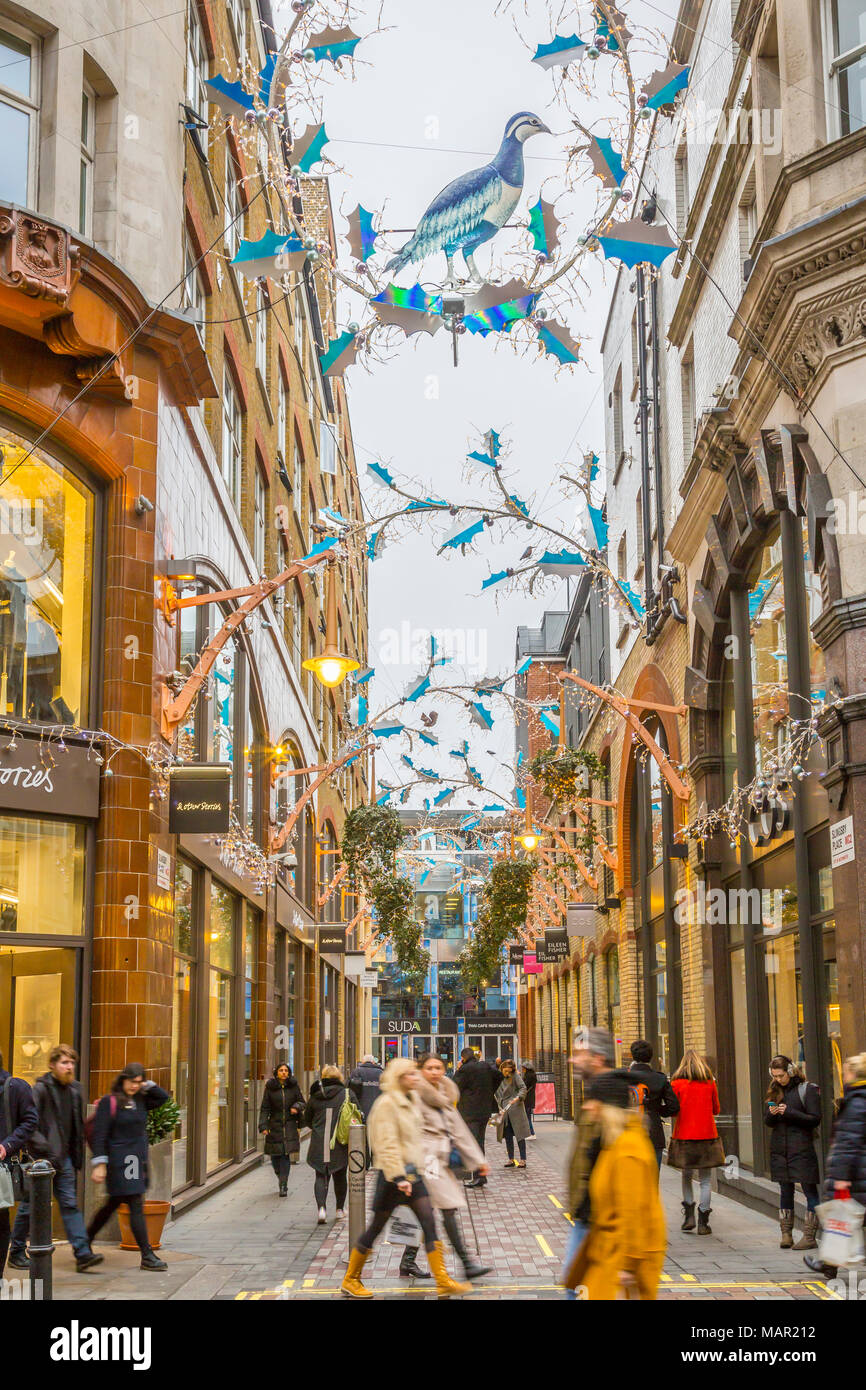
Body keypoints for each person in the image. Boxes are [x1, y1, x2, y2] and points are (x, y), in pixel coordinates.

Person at [341, 1057, 470, 1299]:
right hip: (393, 1177)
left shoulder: (410, 1101)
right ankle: (351, 1279)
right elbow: (386, 1143)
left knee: (429, 1224)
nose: (415, 1077)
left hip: (413, 1174)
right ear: (399, 1078)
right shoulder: (387, 1104)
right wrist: (399, 1176)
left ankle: (442, 1280)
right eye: (411, 1074)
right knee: (375, 1229)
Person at [563, 1082, 666, 1299]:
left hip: (622, 1258)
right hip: (609, 1252)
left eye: (594, 1102)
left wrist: (627, 1266)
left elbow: (632, 1211)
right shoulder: (614, 1142)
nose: (588, 1107)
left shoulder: (628, 1148)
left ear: (607, 1107)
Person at [8, 1043, 102, 1272]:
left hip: (66, 1160)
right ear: (52, 1065)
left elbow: (77, 1126)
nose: (69, 1067)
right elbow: (31, 1125)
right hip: (42, 1161)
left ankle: (82, 1254)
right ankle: (17, 1250)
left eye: (71, 1063)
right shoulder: (39, 1090)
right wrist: (47, 1151)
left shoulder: (76, 1089)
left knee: (69, 1204)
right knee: (30, 1206)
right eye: (64, 1063)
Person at [413, 1053, 491, 1281]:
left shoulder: (444, 1093)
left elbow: (459, 1130)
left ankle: (413, 1262)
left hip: (440, 1159)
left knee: (432, 1211)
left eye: (439, 1067)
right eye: (430, 1068)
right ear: (421, 1070)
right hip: (426, 1160)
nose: (435, 1072)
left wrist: (479, 1162)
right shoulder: (415, 1094)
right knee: (440, 1209)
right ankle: (463, 1265)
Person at [87, 1063, 171, 1271]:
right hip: (119, 1162)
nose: (134, 1086)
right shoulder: (110, 1102)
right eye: (131, 1081)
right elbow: (100, 1135)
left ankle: (83, 1241)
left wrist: (147, 1083)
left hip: (137, 1160)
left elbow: (162, 1098)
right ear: (122, 1079)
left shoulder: (141, 1100)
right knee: (135, 1204)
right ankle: (147, 1255)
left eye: (138, 1082)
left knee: (112, 1205)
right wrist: (99, 1163)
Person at [563, 1026, 621, 1300]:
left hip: (598, 1219)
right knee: (573, 1287)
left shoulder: (610, 1100)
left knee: (577, 1290)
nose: (572, 1060)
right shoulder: (596, 1095)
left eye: (579, 1054)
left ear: (597, 1058)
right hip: (587, 1216)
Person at [805, 1052, 866, 1276]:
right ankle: (828, 1264)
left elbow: (848, 1143)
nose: (843, 1075)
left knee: (840, 1218)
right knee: (842, 1219)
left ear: (853, 1074)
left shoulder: (858, 1101)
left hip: (856, 1175)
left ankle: (828, 1264)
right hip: (859, 1173)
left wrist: (841, 1177)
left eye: (846, 1071)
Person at [764, 1054, 821, 1250]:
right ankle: (786, 1234)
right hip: (780, 1148)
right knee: (785, 1190)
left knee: (809, 1190)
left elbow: (814, 1119)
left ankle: (809, 1236)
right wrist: (772, 1115)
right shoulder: (774, 1091)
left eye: (780, 1075)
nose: (777, 1080)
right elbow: (767, 1122)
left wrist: (788, 1112)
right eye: (774, 1076)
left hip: (802, 1148)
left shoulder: (808, 1090)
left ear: (790, 1071)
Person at [669, 1050, 725, 1235]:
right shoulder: (709, 1083)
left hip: (684, 1136)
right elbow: (716, 1109)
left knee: (686, 1175)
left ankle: (689, 1216)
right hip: (707, 1136)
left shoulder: (676, 1084)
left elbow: (673, 1110)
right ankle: (703, 1221)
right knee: (706, 1180)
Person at [0, 1050, 37, 1277]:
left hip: (2, 1167)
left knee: (0, 1222)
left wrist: (7, 1145)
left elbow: (30, 1121)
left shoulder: (17, 1088)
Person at [622, 1039, 680, 1172]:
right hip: (654, 1133)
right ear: (651, 1056)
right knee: (652, 1180)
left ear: (633, 1056)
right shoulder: (659, 1078)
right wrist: (657, 1109)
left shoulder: (623, 1077)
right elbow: (674, 1106)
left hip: (629, 1134)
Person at [304, 1064, 351, 1223]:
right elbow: (356, 1114)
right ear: (339, 1078)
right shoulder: (346, 1094)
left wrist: (317, 1128)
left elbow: (307, 1119)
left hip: (319, 1141)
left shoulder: (315, 1095)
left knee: (320, 1175)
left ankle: (322, 1209)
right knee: (340, 1175)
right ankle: (339, 1209)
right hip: (339, 1140)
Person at [258, 1062, 305, 1197]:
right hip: (275, 1125)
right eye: (281, 1070)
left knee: (285, 1155)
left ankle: (283, 1184)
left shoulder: (293, 1086)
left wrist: (296, 1106)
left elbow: (303, 1102)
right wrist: (263, 1125)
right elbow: (265, 1108)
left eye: (286, 1070)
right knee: (275, 1156)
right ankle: (280, 1175)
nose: (284, 1072)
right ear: (276, 1073)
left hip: (290, 1124)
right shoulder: (270, 1088)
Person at [455, 1046, 497, 1187]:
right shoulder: (485, 1066)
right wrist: (490, 1092)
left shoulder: (465, 1069)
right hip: (484, 1111)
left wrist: (459, 1069)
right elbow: (499, 1076)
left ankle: (478, 1176)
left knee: (473, 1143)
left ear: (463, 1058)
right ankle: (480, 1176)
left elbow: (455, 1086)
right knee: (479, 1142)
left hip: (469, 1112)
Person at [495, 1059, 530, 1168]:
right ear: (502, 1068)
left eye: (509, 1071)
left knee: (520, 1135)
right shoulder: (499, 1076)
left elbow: (523, 1088)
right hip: (504, 1109)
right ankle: (511, 1159)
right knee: (508, 1135)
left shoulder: (515, 1076)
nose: (507, 1073)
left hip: (515, 1109)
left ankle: (523, 1160)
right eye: (505, 1071)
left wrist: (518, 1098)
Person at [349, 1053, 383, 1122]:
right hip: (378, 1109)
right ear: (373, 1062)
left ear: (363, 1062)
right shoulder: (381, 1073)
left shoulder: (356, 1072)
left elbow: (350, 1090)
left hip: (361, 1108)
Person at [522, 1060, 538, 1137]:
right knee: (527, 1117)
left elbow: (524, 1086)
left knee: (527, 1117)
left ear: (526, 1068)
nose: (522, 1069)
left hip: (527, 1099)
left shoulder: (528, 1076)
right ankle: (530, 1133)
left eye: (523, 1068)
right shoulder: (531, 1075)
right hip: (530, 1099)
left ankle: (531, 1133)